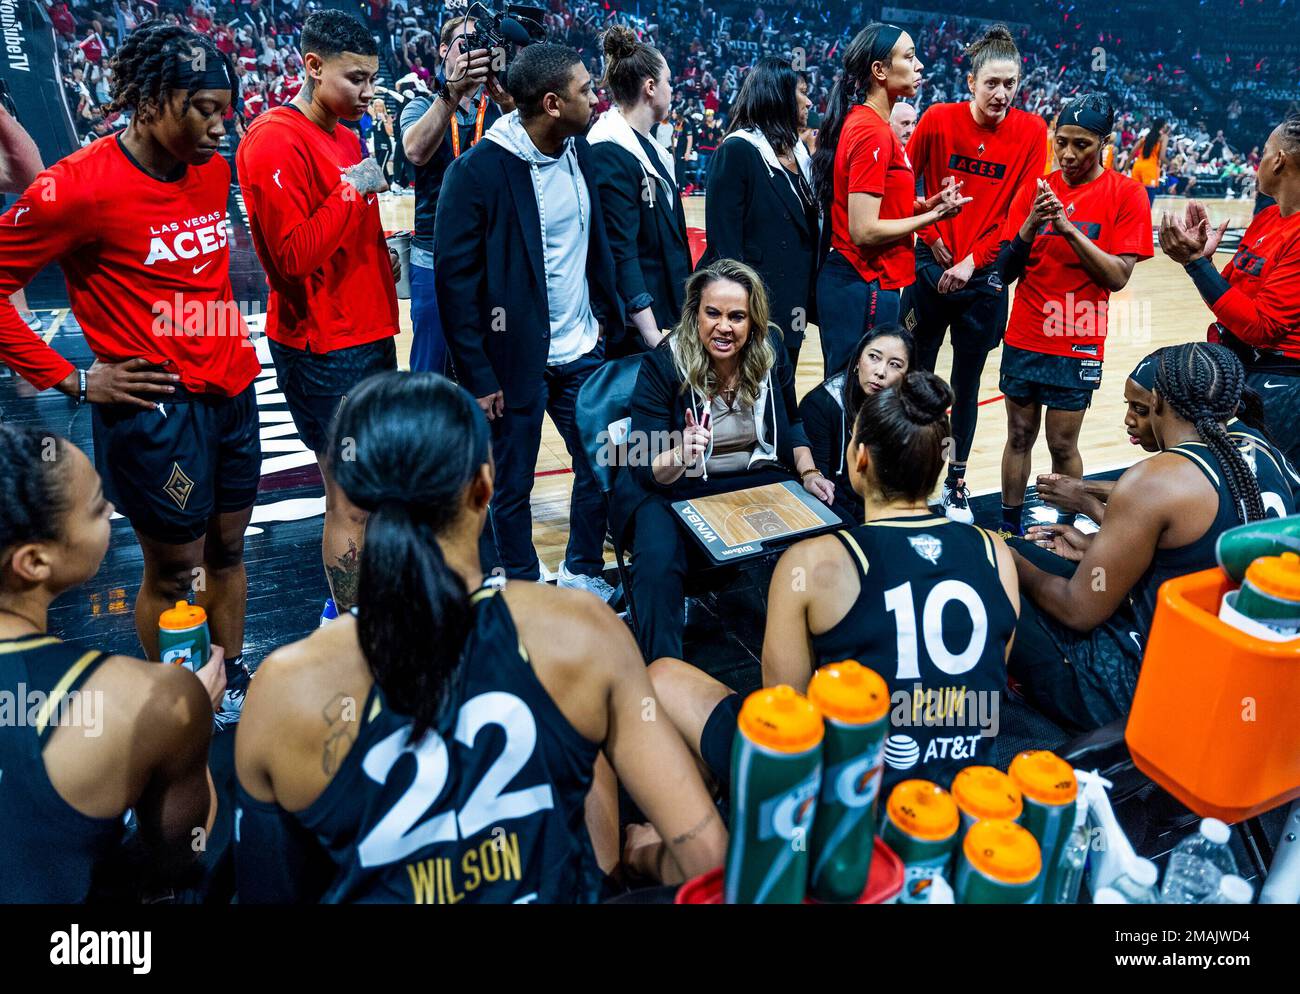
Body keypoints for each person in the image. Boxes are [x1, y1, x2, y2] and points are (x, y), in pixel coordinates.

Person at [234, 373, 727, 903]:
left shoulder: (283, 690)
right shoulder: (583, 632)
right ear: (485, 486)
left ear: (346, 499)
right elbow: (709, 859)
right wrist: (642, 856)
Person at [0, 24, 261, 672]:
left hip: (233, 390)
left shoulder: (212, 169)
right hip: (154, 412)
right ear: (146, 104)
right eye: (201, 112)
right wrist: (76, 380)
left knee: (228, 552)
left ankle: (226, 682)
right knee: (176, 575)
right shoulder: (77, 189)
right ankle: (182, 699)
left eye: (224, 114)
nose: (217, 131)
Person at [650, 371, 1019, 796]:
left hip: (850, 800)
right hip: (964, 792)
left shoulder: (813, 562)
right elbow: (987, 674)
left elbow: (785, 719)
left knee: (661, 676)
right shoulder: (996, 552)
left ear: (860, 459)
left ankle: (719, 826)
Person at [1009, 343, 1295, 732]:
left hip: (1155, 690)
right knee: (1044, 559)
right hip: (1242, 665)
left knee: (997, 572)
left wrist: (1008, 561)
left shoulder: (1155, 481)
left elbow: (1078, 611)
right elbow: (1203, 556)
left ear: (1158, 401)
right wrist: (1098, 548)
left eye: (1139, 407)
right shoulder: (1260, 448)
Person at [0, 425, 223, 902]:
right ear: (34, 562)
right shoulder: (152, 702)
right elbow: (179, 856)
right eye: (98, 506)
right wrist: (194, 715)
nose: (112, 512)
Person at [434, 44, 623, 598]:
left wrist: (607, 322)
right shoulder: (478, 172)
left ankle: (583, 569)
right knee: (512, 485)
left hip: (583, 348)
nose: (595, 97)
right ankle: (521, 583)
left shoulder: (580, 151)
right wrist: (478, 374)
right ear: (552, 103)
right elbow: (455, 284)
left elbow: (596, 249)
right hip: (513, 358)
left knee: (601, 464)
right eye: (585, 90)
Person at [237, 10, 401, 617]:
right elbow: (291, 258)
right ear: (311, 67)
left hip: (367, 334)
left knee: (375, 485)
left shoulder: (346, 131)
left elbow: (338, 226)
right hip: (324, 349)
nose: (366, 92)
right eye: (355, 79)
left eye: (371, 79)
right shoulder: (274, 138)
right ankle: (350, 622)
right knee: (348, 497)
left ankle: (371, 607)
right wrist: (352, 191)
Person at [609, 259, 831, 664]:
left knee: (836, 531)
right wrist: (682, 451)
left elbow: (794, 422)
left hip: (753, 478)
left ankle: (826, 662)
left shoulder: (770, 351)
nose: (723, 326)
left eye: (736, 316)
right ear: (695, 313)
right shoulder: (664, 362)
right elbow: (644, 464)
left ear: (753, 321)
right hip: (674, 486)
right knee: (656, 562)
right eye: (712, 313)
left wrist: (810, 471)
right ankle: (663, 674)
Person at [903, 24, 1047, 524]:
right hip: (930, 265)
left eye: (1010, 83)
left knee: (966, 383)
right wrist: (932, 237)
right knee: (917, 375)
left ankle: (956, 481)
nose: (1001, 93)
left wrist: (971, 260)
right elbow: (904, 183)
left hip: (982, 275)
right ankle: (915, 473)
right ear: (971, 81)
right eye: (992, 83)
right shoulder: (938, 120)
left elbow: (1016, 213)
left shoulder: (1031, 132)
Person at [995, 94, 1154, 537]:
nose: (1067, 153)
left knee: (1062, 444)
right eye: (1060, 141)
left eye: (1081, 144)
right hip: (1025, 333)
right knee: (1019, 437)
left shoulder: (1127, 194)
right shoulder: (1035, 189)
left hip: (1077, 336)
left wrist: (1066, 229)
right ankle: (1009, 528)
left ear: (1104, 143)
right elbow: (1003, 272)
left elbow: (1118, 276)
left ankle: (1064, 528)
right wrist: (1030, 225)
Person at [811, 23, 970, 380]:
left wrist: (928, 204)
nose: (920, 66)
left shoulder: (872, 124)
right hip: (862, 279)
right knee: (856, 399)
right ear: (879, 71)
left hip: (864, 281)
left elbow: (882, 208)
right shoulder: (872, 131)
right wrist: (933, 218)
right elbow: (865, 230)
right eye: (910, 57)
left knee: (858, 400)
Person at [1160, 113, 1300, 466]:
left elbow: (1262, 326)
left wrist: (1197, 266)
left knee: (1267, 489)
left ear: (1279, 159)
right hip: (1244, 365)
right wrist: (1203, 260)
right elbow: (1230, 301)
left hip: (1283, 381)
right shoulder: (1268, 218)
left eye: (1265, 151)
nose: (1259, 160)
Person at [1036, 349, 1299, 522]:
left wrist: (1085, 503)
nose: (1128, 419)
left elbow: (1140, 536)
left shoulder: (1179, 474)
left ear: (1169, 405)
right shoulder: (1241, 434)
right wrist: (1087, 488)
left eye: (1141, 409)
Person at [399, 16, 513, 374]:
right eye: (465, 45)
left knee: (490, 356)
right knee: (430, 363)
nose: (473, 54)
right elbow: (415, 151)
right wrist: (453, 92)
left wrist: (510, 105)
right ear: (444, 51)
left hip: (489, 255)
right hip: (432, 254)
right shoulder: (421, 105)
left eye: (480, 48)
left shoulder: (499, 110)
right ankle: (425, 429)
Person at [701, 56, 821, 369]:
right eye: (802, 92)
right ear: (779, 96)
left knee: (784, 392)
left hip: (792, 304)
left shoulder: (799, 153)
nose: (809, 101)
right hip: (755, 308)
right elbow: (725, 246)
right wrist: (741, 312)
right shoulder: (738, 150)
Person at [588, 26, 691, 356]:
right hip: (635, 331)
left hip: (662, 317)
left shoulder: (648, 146)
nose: (672, 90)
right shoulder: (609, 151)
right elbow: (621, 250)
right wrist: (650, 334)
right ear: (650, 87)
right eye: (668, 82)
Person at [799, 324, 915, 524]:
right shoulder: (820, 405)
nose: (880, 372)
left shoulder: (901, 406)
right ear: (858, 359)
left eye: (895, 364)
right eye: (874, 357)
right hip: (834, 505)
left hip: (877, 505)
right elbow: (824, 489)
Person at [1129, 118, 1166, 208]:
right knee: (1148, 204)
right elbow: (1162, 157)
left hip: (1137, 167)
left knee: (1135, 201)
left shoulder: (1145, 137)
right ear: (1163, 126)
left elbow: (1132, 152)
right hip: (1149, 170)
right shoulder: (1163, 137)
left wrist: (1126, 169)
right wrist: (1168, 163)